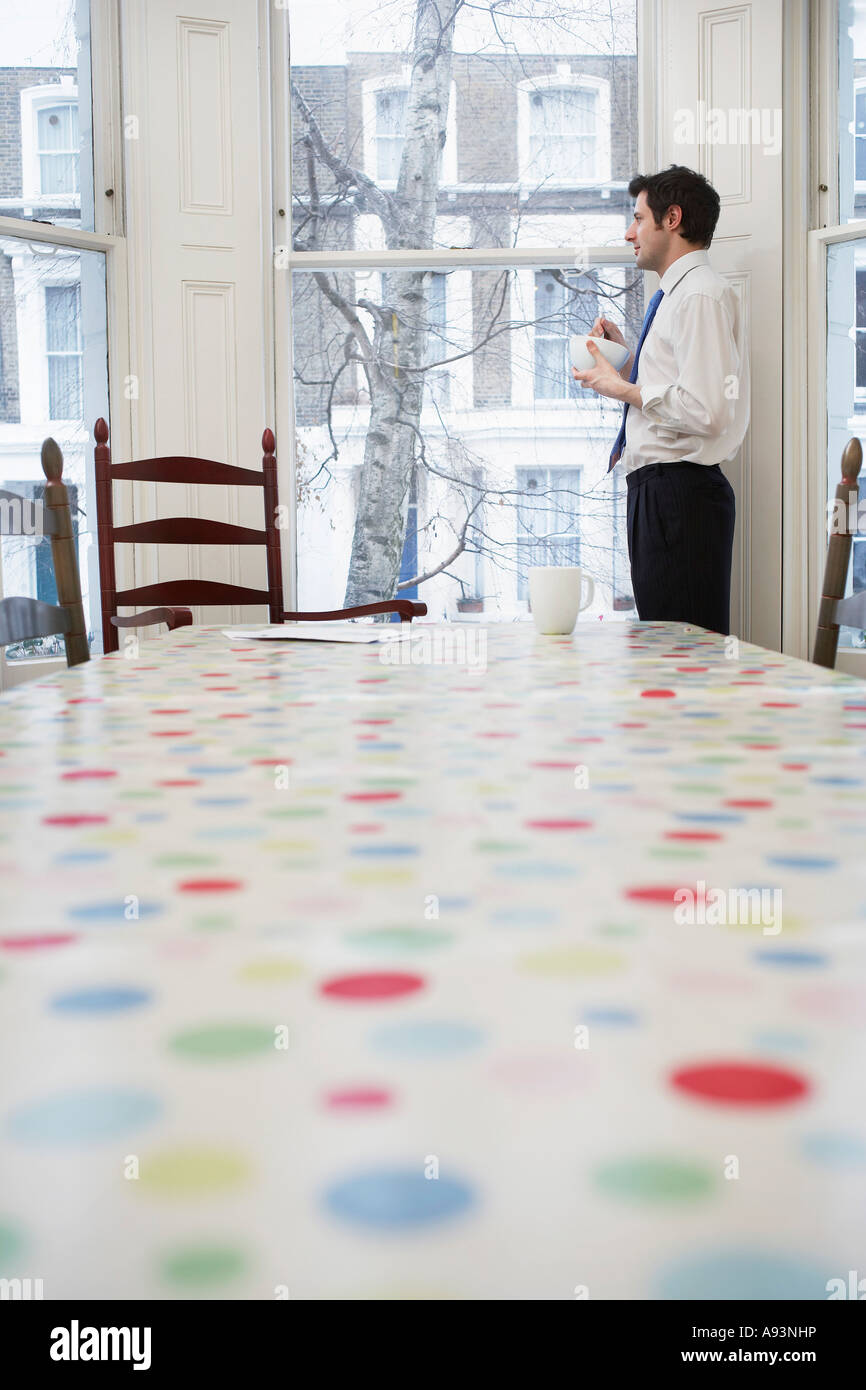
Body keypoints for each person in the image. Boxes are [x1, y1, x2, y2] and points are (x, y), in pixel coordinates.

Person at [572, 165, 749, 636]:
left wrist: (623, 388)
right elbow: (679, 390)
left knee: (683, 654)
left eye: (638, 219)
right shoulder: (678, 296)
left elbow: (707, 410)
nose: (630, 233)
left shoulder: (699, 297)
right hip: (663, 495)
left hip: (680, 498)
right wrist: (627, 362)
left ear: (671, 219)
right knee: (666, 645)